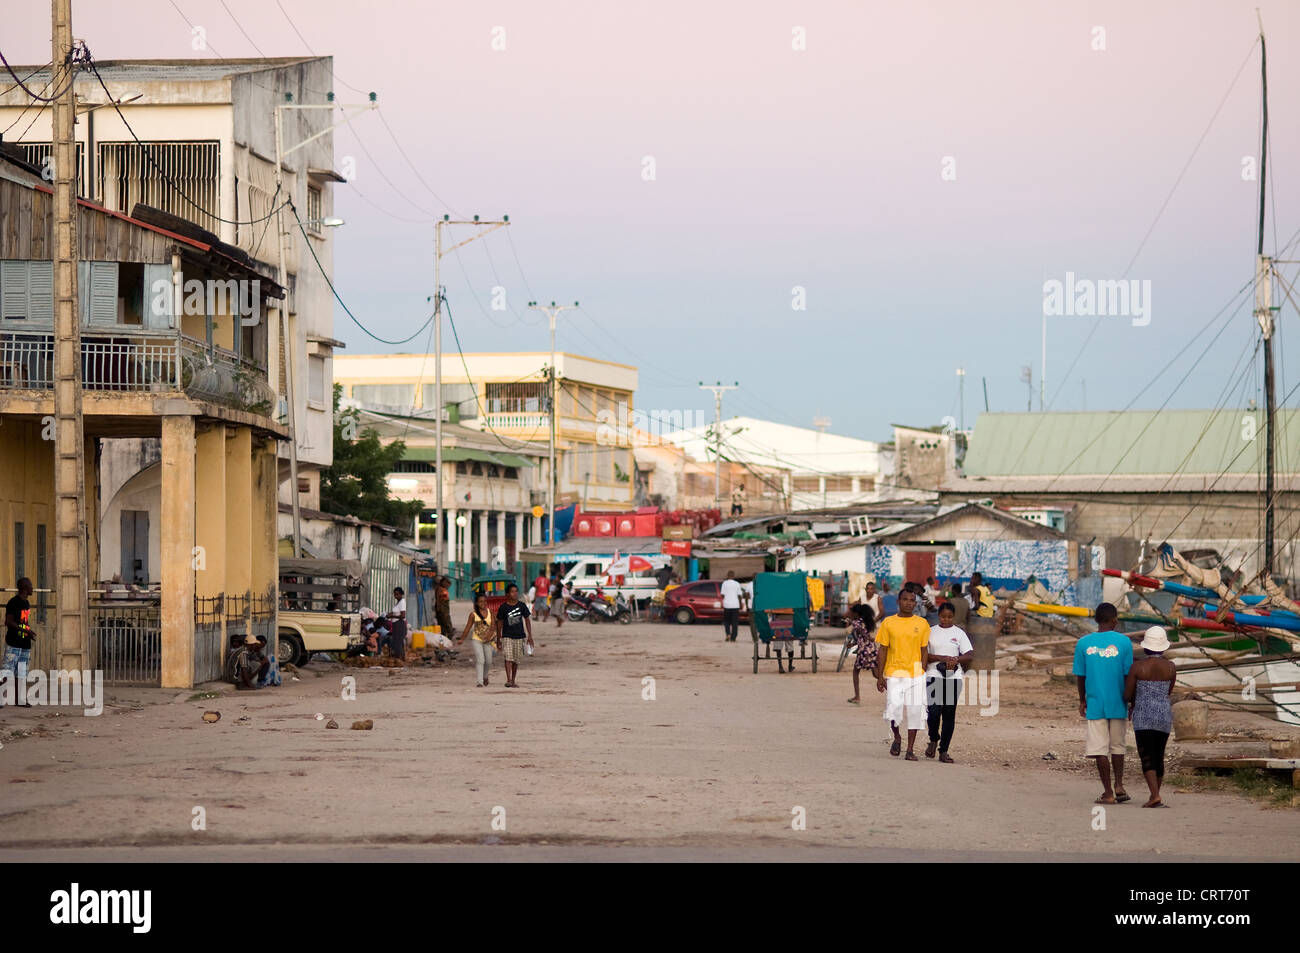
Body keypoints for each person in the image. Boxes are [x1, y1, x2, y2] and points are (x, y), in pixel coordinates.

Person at [1073, 602, 1134, 804]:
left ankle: (1108, 793)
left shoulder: (1083, 644)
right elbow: (1129, 676)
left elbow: (1081, 677)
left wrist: (1082, 700)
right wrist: (1131, 701)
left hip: (1095, 703)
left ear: (1096, 620)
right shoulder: (1125, 643)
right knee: (1118, 746)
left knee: (1099, 749)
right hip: (1118, 702)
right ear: (1115, 619)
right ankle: (1119, 785)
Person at [874, 589, 931, 760]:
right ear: (898, 601)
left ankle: (910, 749)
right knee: (894, 710)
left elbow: (924, 650)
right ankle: (897, 737)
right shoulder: (888, 623)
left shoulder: (922, 624)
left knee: (915, 712)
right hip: (894, 673)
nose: (908, 602)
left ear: (916, 603)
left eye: (912, 600)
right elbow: (882, 649)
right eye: (905, 599)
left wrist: (923, 671)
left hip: (915, 674)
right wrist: (880, 675)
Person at [1126, 626, 1176, 808]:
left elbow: (1128, 694)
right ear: (1163, 647)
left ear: (1146, 646)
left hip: (1144, 717)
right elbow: (1168, 691)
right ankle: (1155, 794)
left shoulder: (1138, 667)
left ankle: (1155, 795)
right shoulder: (1171, 667)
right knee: (1159, 755)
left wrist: (1132, 703)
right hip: (1164, 715)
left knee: (1146, 756)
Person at [925, 602, 973, 763]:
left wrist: (956, 659)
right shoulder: (930, 632)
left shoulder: (959, 633)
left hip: (953, 677)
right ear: (938, 616)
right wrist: (942, 658)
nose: (946, 620)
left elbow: (969, 653)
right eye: (943, 616)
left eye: (950, 617)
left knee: (948, 714)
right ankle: (933, 738)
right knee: (933, 712)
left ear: (954, 617)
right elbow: (925, 655)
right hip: (933, 674)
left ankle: (943, 750)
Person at [2, 577, 35, 707]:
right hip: (14, 643)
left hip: (24, 644)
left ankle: (19, 699)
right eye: (31, 585)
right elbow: (8, 622)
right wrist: (26, 631)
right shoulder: (13, 602)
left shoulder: (26, 603)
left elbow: (23, 623)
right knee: (6, 671)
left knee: (21, 674)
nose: (33, 588)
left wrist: (29, 632)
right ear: (25, 587)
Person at [495, 583, 534, 689]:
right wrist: (498, 638)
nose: (515, 593)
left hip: (520, 636)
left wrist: (530, 636)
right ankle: (508, 679)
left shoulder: (522, 606)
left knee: (516, 660)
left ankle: (513, 679)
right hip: (507, 636)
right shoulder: (503, 607)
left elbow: (527, 620)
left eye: (516, 591)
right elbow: (499, 623)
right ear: (507, 594)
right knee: (508, 657)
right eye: (512, 591)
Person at [457, 593, 500, 688]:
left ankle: (485, 676)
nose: (483, 603)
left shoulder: (491, 612)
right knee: (480, 659)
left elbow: (493, 626)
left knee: (488, 661)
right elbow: (468, 628)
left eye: (484, 601)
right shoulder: (473, 615)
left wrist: (489, 637)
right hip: (477, 639)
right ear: (476, 603)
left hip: (488, 640)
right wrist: (462, 639)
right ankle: (479, 681)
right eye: (480, 601)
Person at [845, 603, 878, 705]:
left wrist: (849, 621)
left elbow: (862, 633)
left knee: (856, 672)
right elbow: (863, 637)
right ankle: (892, 688)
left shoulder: (858, 622)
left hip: (864, 651)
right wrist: (853, 644)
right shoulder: (866, 622)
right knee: (876, 675)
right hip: (871, 650)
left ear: (856, 613)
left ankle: (857, 696)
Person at [720, 570, 746, 642]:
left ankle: (728, 634)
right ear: (733, 576)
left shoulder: (724, 583)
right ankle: (733, 637)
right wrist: (740, 603)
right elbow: (739, 595)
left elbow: (722, 594)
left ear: (727, 576)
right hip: (735, 605)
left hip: (727, 605)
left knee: (727, 621)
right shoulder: (737, 584)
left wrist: (725, 598)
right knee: (735, 622)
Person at [386, 587, 408, 659]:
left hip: (399, 624)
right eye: (395, 594)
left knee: (398, 642)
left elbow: (403, 615)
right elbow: (396, 611)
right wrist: (390, 614)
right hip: (396, 624)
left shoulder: (402, 602)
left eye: (397, 594)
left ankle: (399, 658)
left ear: (401, 594)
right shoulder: (398, 602)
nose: (396, 596)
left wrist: (392, 616)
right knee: (397, 642)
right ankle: (399, 657)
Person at [435, 576, 454, 642]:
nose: (448, 586)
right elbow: (437, 599)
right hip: (442, 609)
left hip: (445, 608)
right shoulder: (439, 589)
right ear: (443, 582)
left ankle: (448, 636)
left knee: (446, 622)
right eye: (446, 584)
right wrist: (438, 607)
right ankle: (446, 636)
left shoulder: (444, 589)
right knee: (444, 623)